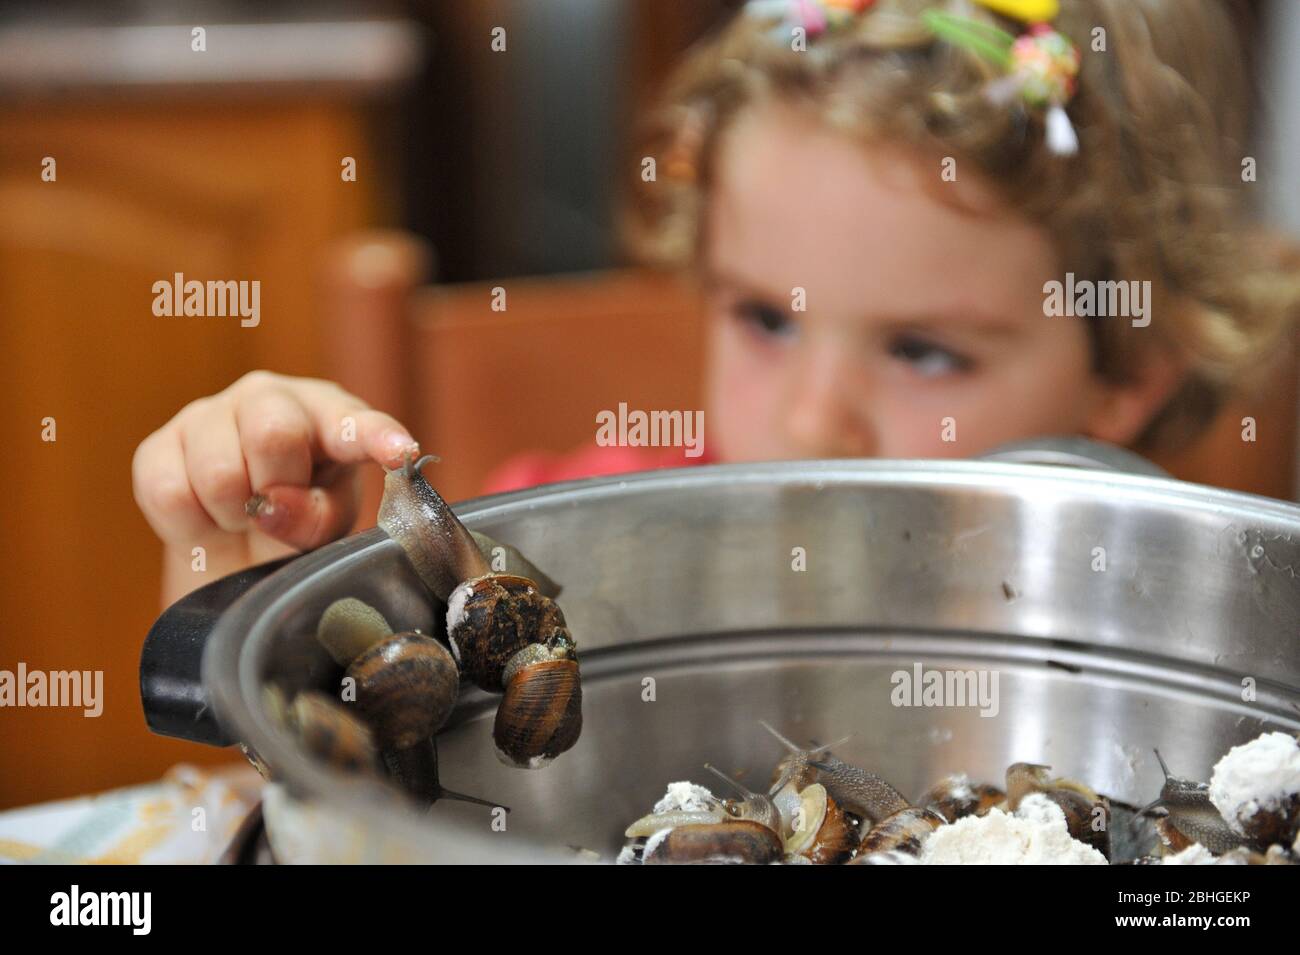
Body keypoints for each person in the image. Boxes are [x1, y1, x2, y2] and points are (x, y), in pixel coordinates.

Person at [132, 0, 1300, 605]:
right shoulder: (575, 547)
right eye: (765, 319)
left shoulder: (1156, 625)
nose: (810, 421)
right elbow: (279, 766)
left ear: (1130, 372)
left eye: (925, 353)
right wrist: (250, 548)